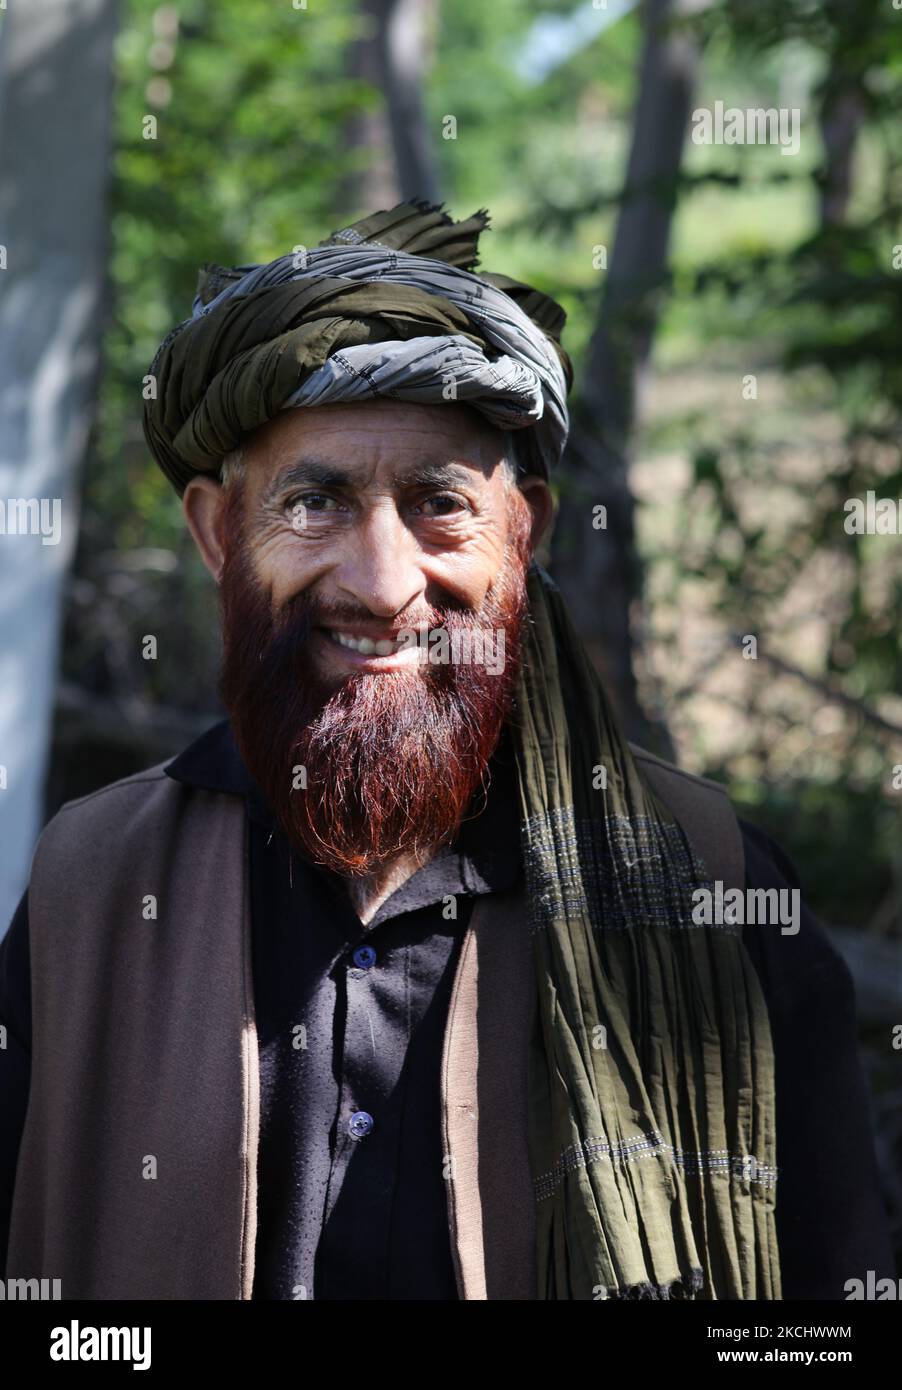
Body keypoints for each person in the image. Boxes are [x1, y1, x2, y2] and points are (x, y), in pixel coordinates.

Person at [0, 201, 893, 1301]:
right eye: (315, 501)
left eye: (439, 505)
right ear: (217, 533)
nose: (381, 586)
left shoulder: (711, 880)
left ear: (527, 533)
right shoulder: (94, 885)